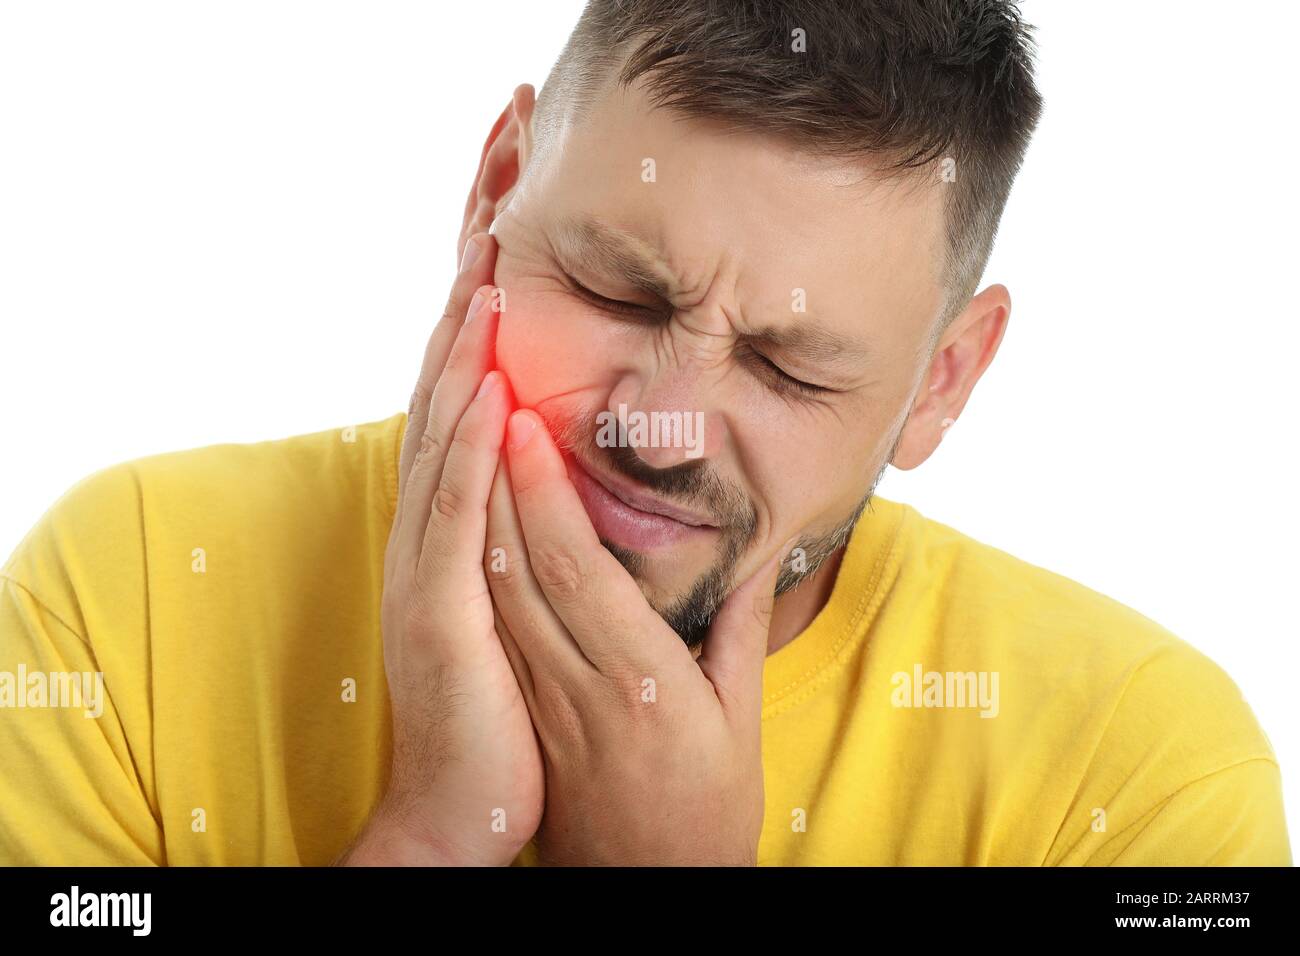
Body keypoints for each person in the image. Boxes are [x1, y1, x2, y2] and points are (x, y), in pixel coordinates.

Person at [0, 0, 1289, 866]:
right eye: (617, 292)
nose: (660, 427)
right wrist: (434, 839)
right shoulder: (126, 600)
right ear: (496, 190)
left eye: (788, 368)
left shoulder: (1141, 771)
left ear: (943, 384)